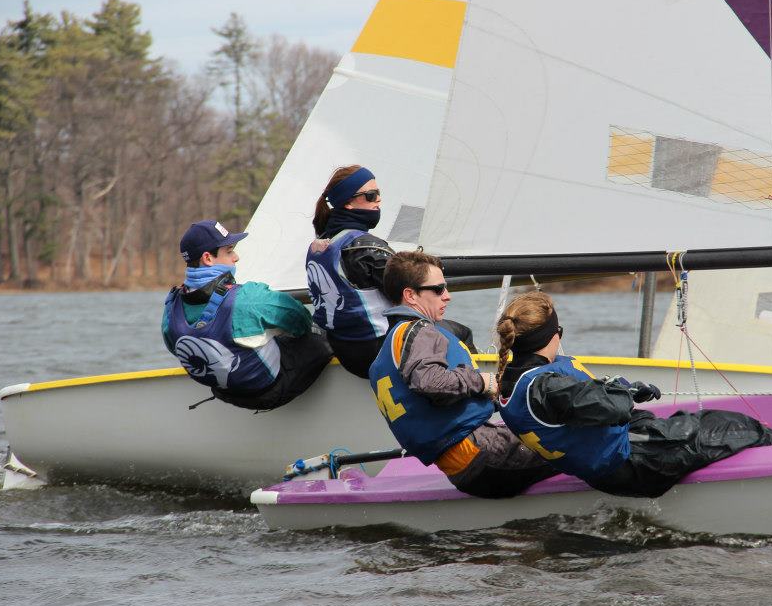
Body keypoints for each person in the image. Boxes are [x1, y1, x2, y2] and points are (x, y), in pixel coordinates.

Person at [495, 291, 772, 498]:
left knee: (695, 422)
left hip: (616, 459)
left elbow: (583, 403)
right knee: (737, 426)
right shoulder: (548, 387)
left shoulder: (511, 379)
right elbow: (614, 408)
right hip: (636, 464)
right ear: (552, 336)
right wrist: (626, 390)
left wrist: (625, 390)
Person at [368, 251, 557, 498]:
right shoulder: (418, 332)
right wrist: (481, 381)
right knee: (583, 440)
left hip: (465, 468)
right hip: (485, 456)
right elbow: (429, 382)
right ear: (410, 295)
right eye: (437, 289)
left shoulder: (389, 348)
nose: (447, 296)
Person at [307, 165, 474, 378]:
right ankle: (470, 393)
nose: (378, 200)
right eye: (370, 195)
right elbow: (411, 290)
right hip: (379, 351)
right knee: (462, 333)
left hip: (346, 354)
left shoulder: (318, 247)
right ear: (348, 203)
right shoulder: (365, 247)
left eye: (378, 194)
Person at [163, 219, 333, 411]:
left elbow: (174, 347)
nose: (236, 257)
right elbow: (301, 319)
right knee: (323, 333)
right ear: (208, 258)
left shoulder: (171, 308)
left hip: (226, 394)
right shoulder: (250, 298)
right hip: (271, 392)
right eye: (229, 251)